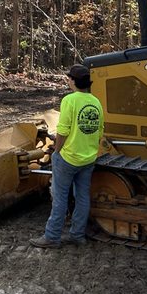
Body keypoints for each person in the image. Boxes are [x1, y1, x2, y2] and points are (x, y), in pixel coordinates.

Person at [30, 63, 104, 249]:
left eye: (69, 78)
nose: (68, 80)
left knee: (60, 197)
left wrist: (57, 150)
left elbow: (62, 130)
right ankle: (77, 235)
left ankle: (52, 237)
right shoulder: (96, 102)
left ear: (73, 81)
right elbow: (99, 130)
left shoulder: (69, 100)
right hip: (88, 158)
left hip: (69, 157)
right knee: (82, 197)